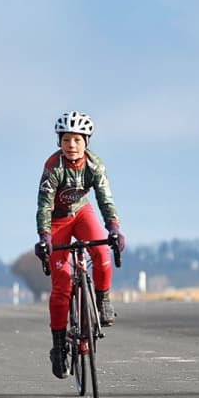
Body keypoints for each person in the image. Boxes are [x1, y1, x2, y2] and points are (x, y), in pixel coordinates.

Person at [34, 111, 125, 380]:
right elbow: (43, 205)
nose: (71, 145)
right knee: (61, 283)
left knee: (100, 251)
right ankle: (59, 345)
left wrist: (114, 227)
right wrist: (44, 236)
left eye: (76, 139)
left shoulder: (95, 165)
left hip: (82, 213)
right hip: (57, 221)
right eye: (65, 140)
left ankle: (102, 299)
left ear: (86, 141)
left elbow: (105, 198)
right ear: (59, 142)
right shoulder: (53, 167)